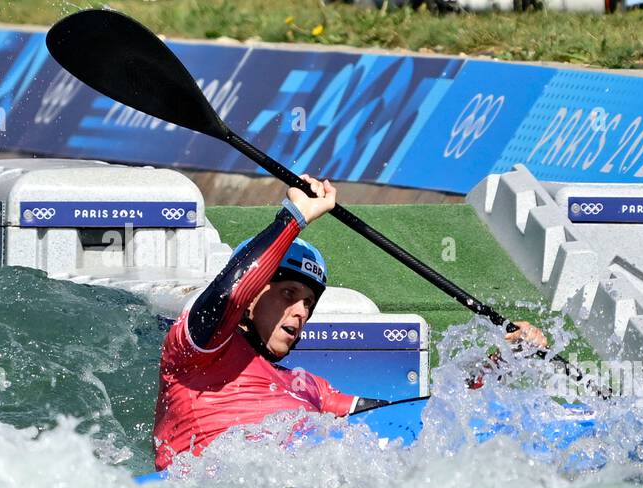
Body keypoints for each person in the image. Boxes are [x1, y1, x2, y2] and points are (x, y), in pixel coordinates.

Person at [152, 175, 548, 471]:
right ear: (255, 295)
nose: (301, 312)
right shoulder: (193, 353)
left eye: (308, 303)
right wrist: (293, 218)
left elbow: (415, 414)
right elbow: (230, 293)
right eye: (288, 294)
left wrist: (502, 362)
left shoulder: (309, 387)